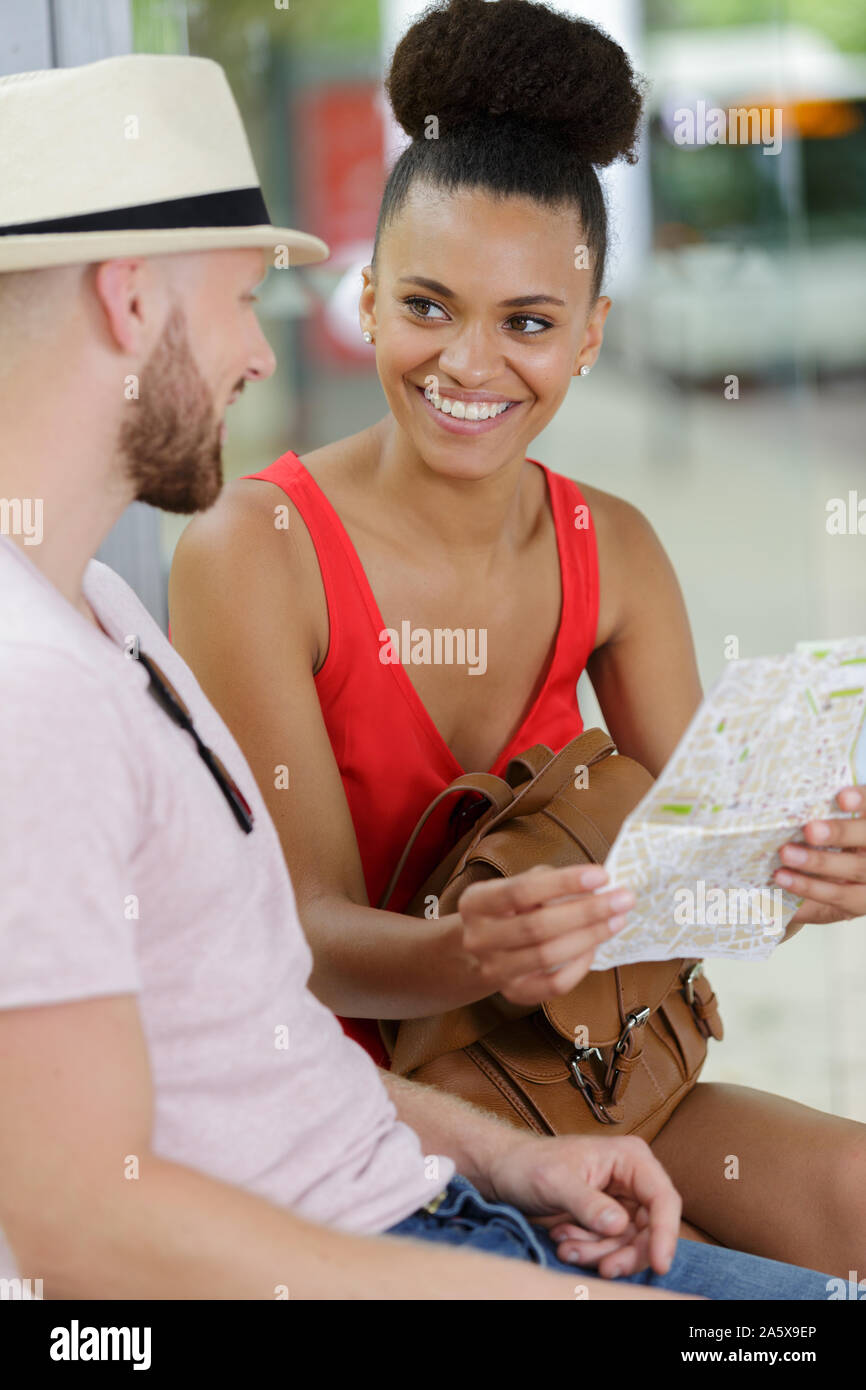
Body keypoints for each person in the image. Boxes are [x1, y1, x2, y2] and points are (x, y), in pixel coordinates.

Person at [0, 48, 849, 1304]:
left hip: (560, 1079)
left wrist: (803, 880)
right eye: (427, 307)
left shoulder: (604, 548)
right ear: (372, 298)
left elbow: (686, 896)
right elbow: (291, 955)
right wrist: (465, 954)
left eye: (528, 323)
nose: (468, 364)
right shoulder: (234, 558)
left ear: (589, 335)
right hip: (390, 1118)